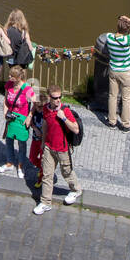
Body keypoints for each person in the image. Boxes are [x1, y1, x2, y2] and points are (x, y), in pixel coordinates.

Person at [33, 86, 82, 214]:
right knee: (47, 175)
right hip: (49, 147)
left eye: (60, 97)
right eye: (55, 98)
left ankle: (76, 190)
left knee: (66, 172)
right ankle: (45, 202)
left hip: (62, 149)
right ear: (49, 98)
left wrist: (64, 118)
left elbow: (76, 129)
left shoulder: (65, 111)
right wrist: (43, 142)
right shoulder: (45, 109)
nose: (58, 100)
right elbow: (45, 124)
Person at [103, 14, 130, 131]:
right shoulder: (127, 39)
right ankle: (126, 124)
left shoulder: (109, 37)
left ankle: (112, 122)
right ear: (127, 29)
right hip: (126, 72)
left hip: (113, 71)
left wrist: (121, 22)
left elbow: (110, 35)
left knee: (112, 96)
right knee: (126, 99)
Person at [0, 66, 35, 178]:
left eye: (12, 76)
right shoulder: (9, 85)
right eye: (9, 75)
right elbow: (6, 99)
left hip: (21, 118)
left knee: (21, 143)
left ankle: (20, 165)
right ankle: (10, 163)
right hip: (11, 116)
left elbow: (35, 103)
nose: (9, 77)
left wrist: (29, 116)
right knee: (9, 140)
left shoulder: (27, 89)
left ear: (19, 77)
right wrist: (5, 112)